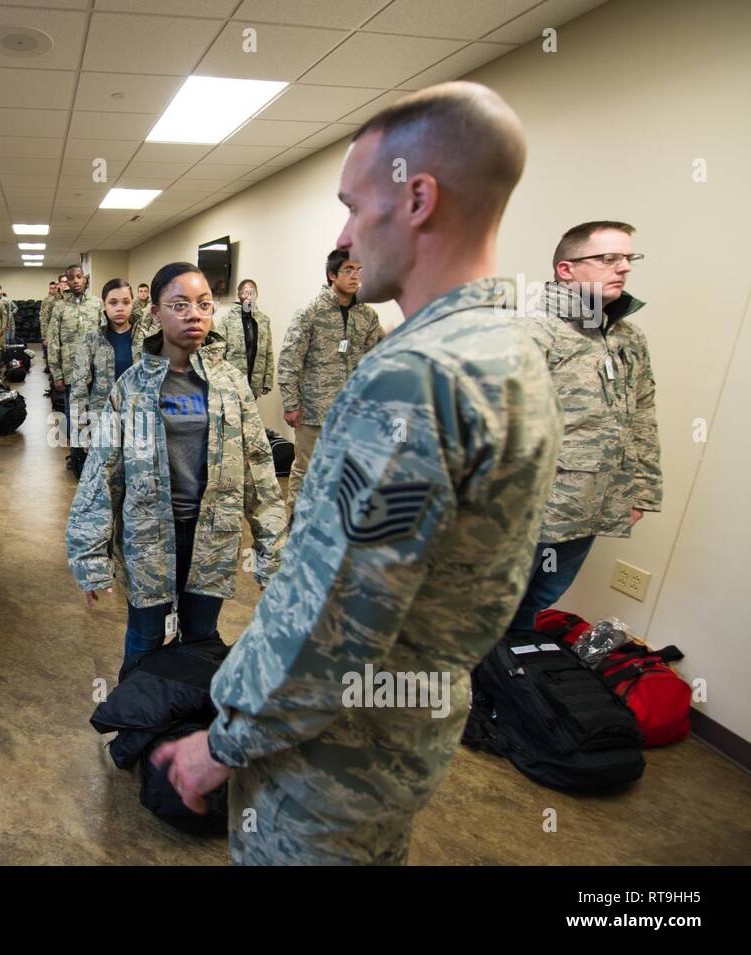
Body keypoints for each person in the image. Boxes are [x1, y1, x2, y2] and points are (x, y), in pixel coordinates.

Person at [149, 81, 562, 866]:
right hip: (405, 733)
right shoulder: (511, 353)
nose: (342, 233)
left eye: (351, 203)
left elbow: (332, 614)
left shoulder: (414, 375)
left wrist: (223, 743)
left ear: (416, 198)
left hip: (327, 758)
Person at [66, 262, 287, 667]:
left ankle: (187, 723)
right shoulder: (132, 386)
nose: (194, 315)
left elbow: (260, 470)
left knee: (201, 637)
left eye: (204, 305)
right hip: (149, 534)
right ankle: (136, 724)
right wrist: (90, 556)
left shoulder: (231, 384)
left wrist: (272, 550)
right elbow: (102, 473)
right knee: (146, 636)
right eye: (179, 305)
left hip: (213, 534)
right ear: (155, 313)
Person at [508, 220, 661, 630]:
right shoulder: (529, 329)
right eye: (608, 258)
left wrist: (639, 491)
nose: (623, 267)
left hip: (593, 501)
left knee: (540, 597)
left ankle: (502, 680)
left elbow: (642, 415)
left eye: (629, 258)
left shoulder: (628, 337)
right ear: (566, 269)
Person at [277, 249, 384, 521]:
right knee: (307, 468)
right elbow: (290, 360)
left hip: (352, 410)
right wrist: (291, 404)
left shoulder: (367, 315)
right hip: (315, 409)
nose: (355, 276)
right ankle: (297, 523)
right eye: (348, 270)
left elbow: (377, 358)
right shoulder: (310, 313)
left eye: (359, 270)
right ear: (332, 275)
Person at [69, 278, 136, 456]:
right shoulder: (92, 339)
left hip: (138, 421)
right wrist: (82, 433)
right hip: (101, 420)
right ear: (104, 305)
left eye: (125, 302)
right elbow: (78, 390)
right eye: (113, 302)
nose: (120, 308)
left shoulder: (146, 340)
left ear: (132, 304)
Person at [49, 265, 103, 462]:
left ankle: (94, 456)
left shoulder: (97, 304)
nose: (76, 281)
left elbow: (104, 337)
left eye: (79, 277)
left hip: (95, 370)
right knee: (74, 416)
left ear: (85, 279)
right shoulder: (60, 307)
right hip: (70, 371)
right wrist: (57, 374)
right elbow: (54, 341)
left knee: (94, 415)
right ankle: (76, 456)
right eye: (71, 278)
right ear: (67, 283)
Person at [216, 279, 275, 400]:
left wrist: (267, 380)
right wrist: (219, 381)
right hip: (232, 382)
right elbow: (217, 352)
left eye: (252, 293)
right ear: (239, 294)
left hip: (254, 382)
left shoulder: (264, 320)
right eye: (245, 292)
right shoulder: (227, 320)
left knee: (250, 417)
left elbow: (268, 352)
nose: (249, 296)